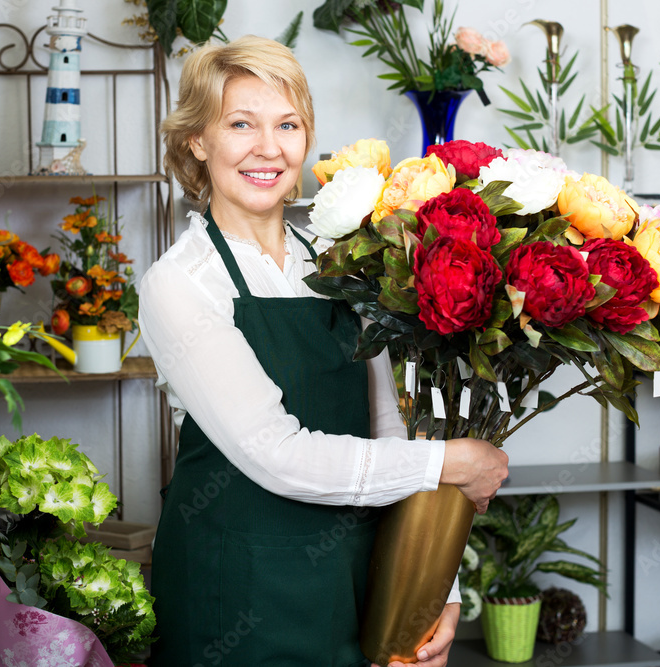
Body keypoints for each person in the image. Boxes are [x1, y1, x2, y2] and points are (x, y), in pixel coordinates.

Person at [139, 35, 509, 667]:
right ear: (198, 142)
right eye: (240, 124)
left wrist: (432, 587)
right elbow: (277, 456)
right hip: (236, 588)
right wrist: (452, 463)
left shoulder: (341, 266)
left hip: (353, 577)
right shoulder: (179, 282)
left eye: (287, 124)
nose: (268, 148)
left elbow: (388, 427)